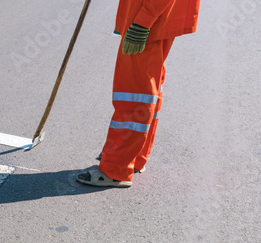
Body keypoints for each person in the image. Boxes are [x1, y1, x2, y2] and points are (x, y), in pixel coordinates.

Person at [77, 0, 201, 188]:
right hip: (156, 16)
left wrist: (143, 21)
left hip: (147, 16)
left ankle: (115, 170)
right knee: (147, 90)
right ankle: (133, 157)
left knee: (133, 95)